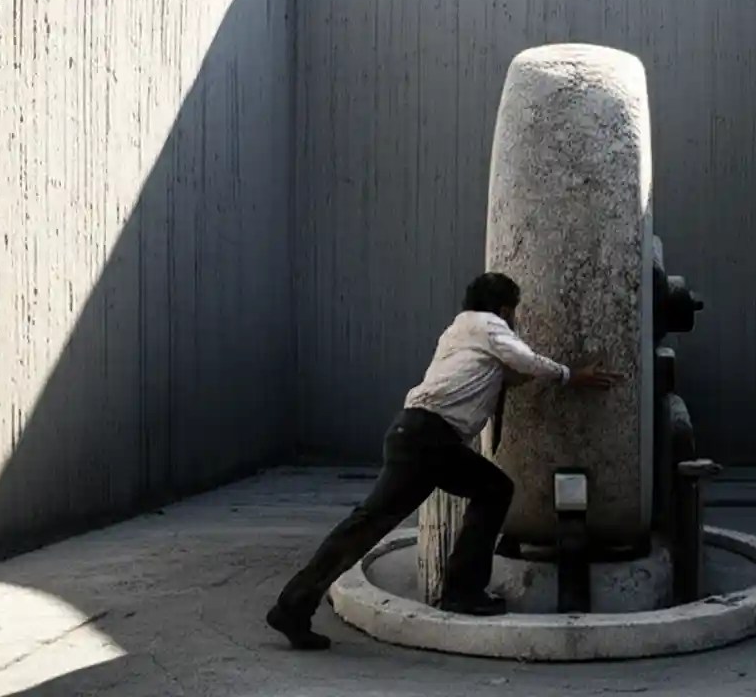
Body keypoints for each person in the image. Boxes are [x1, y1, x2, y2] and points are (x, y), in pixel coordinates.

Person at [266, 272, 622, 650]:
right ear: (504, 309)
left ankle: (294, 605)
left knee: (366, 526)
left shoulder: (458, 331)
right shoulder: (488, 324)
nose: (513, 321)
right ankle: (462, 590)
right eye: (513, 312)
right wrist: (571, 375)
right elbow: (522, 358)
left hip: (415, 435)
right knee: (494, 489)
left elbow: (497, 374)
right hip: (429, 439)